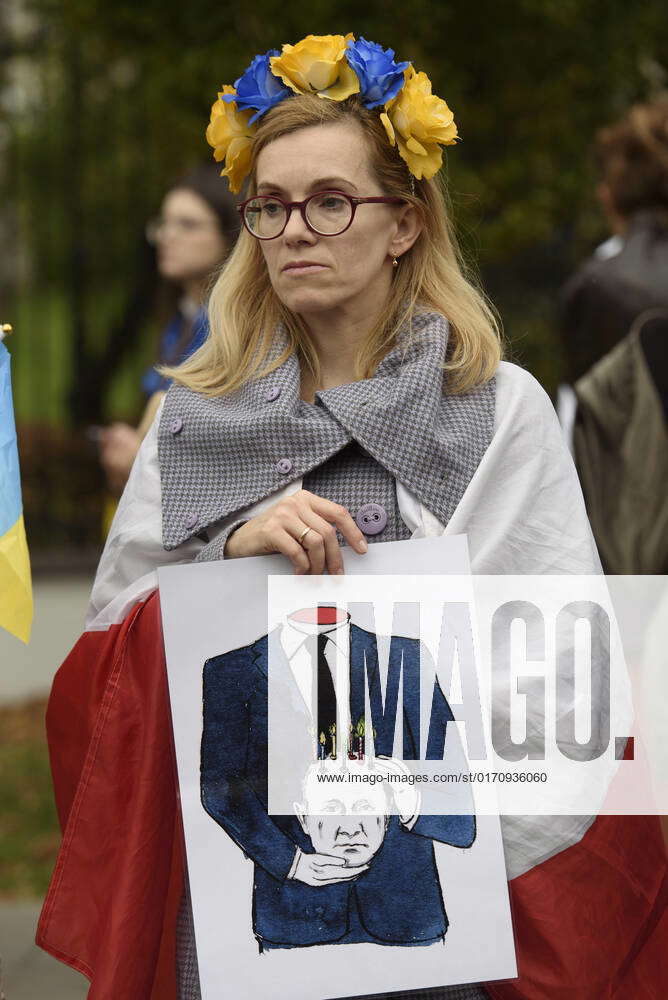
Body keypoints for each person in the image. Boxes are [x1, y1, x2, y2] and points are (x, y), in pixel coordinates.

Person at [37, 34, 667, 1000]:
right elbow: (107, 672)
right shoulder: (194, 418)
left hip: (441, 920)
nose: (295, 229)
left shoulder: (497, 407)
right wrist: (226, 558)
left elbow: (558, 680)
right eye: (270, 206)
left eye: (331, 201)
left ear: (404, 223)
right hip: (246, 923)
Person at [200, 609, 475, 953]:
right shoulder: (231, 669)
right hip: (293, 920)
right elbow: (220, 789)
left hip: (407, 919)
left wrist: (410, 799)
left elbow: (462, 814)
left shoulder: (406, 657)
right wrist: (290, 862)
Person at [98, 163, 240, 497]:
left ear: (229, 233)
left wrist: (141, 459)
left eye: (187, 225)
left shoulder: (236, 329)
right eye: (164, 223)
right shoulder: (178, 320)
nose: (166, 236)